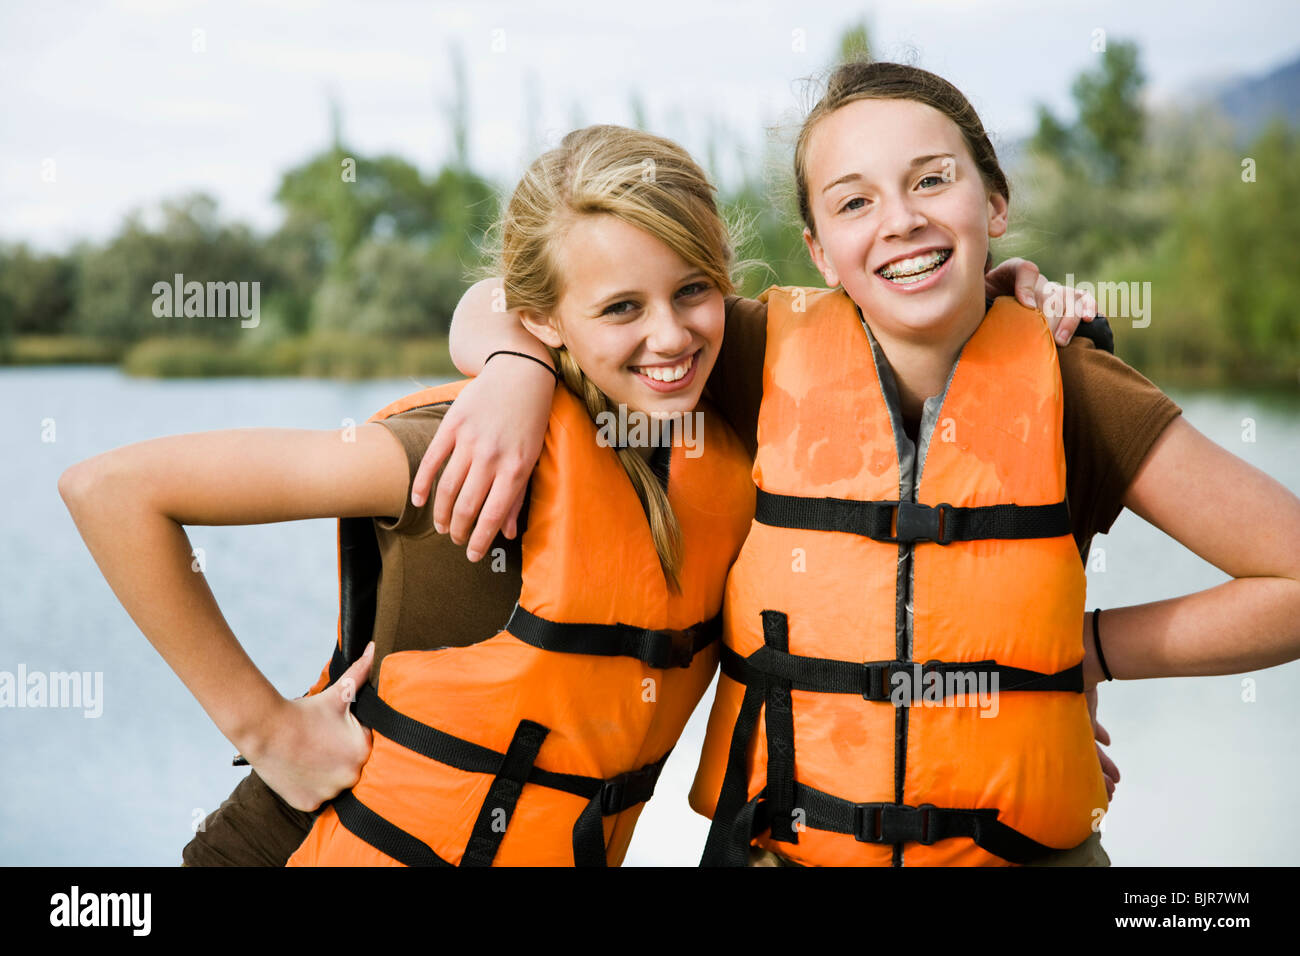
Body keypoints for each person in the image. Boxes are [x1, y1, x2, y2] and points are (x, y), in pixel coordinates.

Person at [414, 63, 1300, 867]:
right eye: (854, 202)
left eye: (932, 180)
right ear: (817, 249)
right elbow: (509, 296)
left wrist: (1090, 651)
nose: (902, 220)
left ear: (994, 203)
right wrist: (515, 369)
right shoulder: (744, 351)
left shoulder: (1077, 385)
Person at [59, 124, 762, 867]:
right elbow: (110, 492)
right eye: (621, 308)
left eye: (693, 290)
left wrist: (509, 355)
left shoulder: (724, 430)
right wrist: (268, 731)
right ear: (544, 319)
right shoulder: (462, 451)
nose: (671, 335)